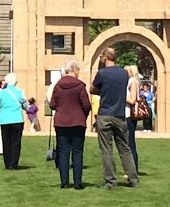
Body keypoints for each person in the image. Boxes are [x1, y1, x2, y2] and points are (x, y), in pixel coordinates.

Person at [90, 47, 139, 189]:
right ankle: (133, 179)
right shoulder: (124, 74)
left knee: (106, 149)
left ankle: (110, 181)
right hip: (120, 115)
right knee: (125, 148)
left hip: (105, 114)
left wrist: (102, 90)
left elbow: (92, 89)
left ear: (105, 57)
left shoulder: (102, 73)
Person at [49, 58, 91, 190]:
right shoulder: (80, 86)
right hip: (78, 122)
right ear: (74, 70)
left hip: (61, 122)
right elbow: (86, 105)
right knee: (77, 152)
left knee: (63, 152)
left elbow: (52, 104)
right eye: (78, 70)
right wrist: (82, 115)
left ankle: (64, 182)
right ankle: (78, 183)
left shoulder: (57, 86)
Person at [0, 73, 28, 170]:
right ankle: (14, 164)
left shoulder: (0, 93)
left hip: (5, 120)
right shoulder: (20, 92)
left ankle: (7, 163)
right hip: (17, 119)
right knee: (16, 143)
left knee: (6, 142)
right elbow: (25, 106)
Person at [124, 66, 142, 175]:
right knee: (127, 143)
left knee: (130, 143)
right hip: (126, 115)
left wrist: (120, 95)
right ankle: (130, 169)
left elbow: (132, 100)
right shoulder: (128, 82)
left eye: (127, 71)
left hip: (129, 115)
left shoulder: (133, 82)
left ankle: (133, 169)